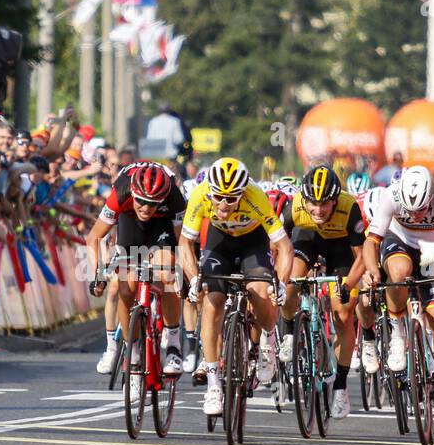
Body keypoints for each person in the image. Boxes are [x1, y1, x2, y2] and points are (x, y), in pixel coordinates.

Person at [177, 157, 293, 417]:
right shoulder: (200, 194)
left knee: (261, 291)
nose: (223, 204)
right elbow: (185, 243)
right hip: (219, 243)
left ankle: (268, 337)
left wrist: (282, 283)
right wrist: (194, 278)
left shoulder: (256, 196)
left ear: (243, 193)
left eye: (231, 199)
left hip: (253, 242)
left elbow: (285, 247)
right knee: (212, 301)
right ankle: (213, 385)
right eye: (218, 197)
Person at [360, 164, 434, 430]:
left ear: (431, 197)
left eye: (420, 210)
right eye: (409, 211)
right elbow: (372, 241)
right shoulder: (391, 195)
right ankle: (398, 332)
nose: (415, 215)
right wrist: (373, 270)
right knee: (397, 273)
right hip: (402, 243)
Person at [277, 165, 366, 419]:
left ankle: (340, 386)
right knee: (293, 279)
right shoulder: (295, 208)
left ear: (335, 200)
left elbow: (361, 257)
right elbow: (278, 246)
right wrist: (279, 280)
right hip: (308, 240)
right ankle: (289, 332)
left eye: (324, 204)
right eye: (312, 203)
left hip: (341, 249)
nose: (317, 209)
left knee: (343, 314)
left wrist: (348, 286)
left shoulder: (349, 209)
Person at [86, 161, 187, 382]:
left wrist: (186, 274)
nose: (146, 208)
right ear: (133, 193)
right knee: (125, 285)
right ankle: (131, 349)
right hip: (129, 222)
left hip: (163, 225)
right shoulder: (121, 193)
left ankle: (172, 343)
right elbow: (94, 237)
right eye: (141, 201)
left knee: (168, 273)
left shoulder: (174, 197)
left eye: (152, 203)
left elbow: (183, 242)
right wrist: (97, 274)